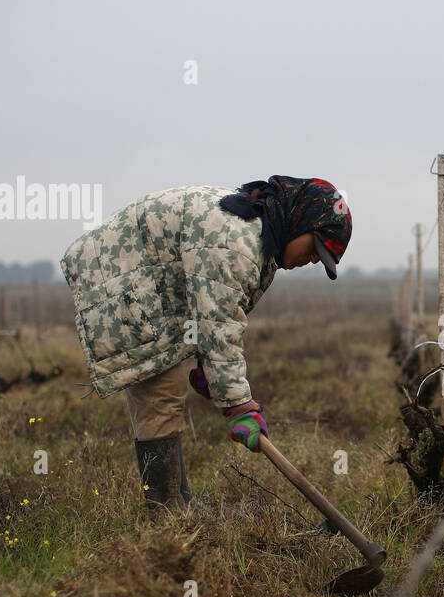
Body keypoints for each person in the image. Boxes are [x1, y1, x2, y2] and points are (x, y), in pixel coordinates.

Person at [60, 176, 351, 508]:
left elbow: (209, 310)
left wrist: (207, 367)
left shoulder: (262, 243)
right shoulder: (236, 241)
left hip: (148, 284)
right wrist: (239, 406)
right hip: (119, 276)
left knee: (165, 396)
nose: (312, 260)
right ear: (302, 222)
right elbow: (218, 325)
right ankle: (167, 510)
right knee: (162, 395)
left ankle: (177, 504)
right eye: (315, 249)